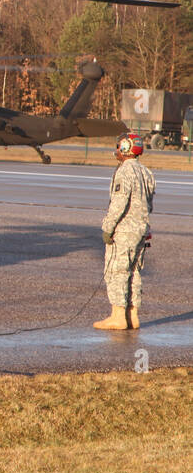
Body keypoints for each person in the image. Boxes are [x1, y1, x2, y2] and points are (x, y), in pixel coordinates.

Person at [95, 132, 155, 330]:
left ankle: (118, 316)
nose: (116, 151)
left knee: (117, 270)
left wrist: (108, 227)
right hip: (142, 229)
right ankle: (133, 316)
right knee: (135, 271)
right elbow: (149, 204)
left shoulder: (123, 172)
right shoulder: (146, 172)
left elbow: (119, 204)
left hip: (124, 231)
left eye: (119, 147)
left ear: (125, 148)